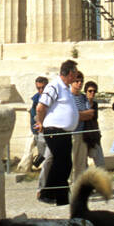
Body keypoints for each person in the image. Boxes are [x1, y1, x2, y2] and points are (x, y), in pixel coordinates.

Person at [35, 61, 83, 205]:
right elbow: (40, 107)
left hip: (64, 131)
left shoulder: (66, 88)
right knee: (61, 162)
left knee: (65, 163)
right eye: (75, 73)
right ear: (69, 73)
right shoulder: (54, 86)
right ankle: (47, 193)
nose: (76, 76)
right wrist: (41, 124)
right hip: (54, 130)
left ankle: (61, 197)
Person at [73, 79, 105, 174]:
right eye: (90, 91)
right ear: (86, 91)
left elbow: (93, 117)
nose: (92, 93)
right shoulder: (82, 101)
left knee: (100, 161)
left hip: (93, 134)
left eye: (94, 91)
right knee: (82, 163)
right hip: (82, 133)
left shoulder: (94, 104)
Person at [27, 76, 49, 169]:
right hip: (39, 132)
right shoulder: (36, 99)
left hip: (50, 131)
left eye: (43, 88)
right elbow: (33, 115)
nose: (41, 90)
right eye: (38, 88)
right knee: (43, 155)